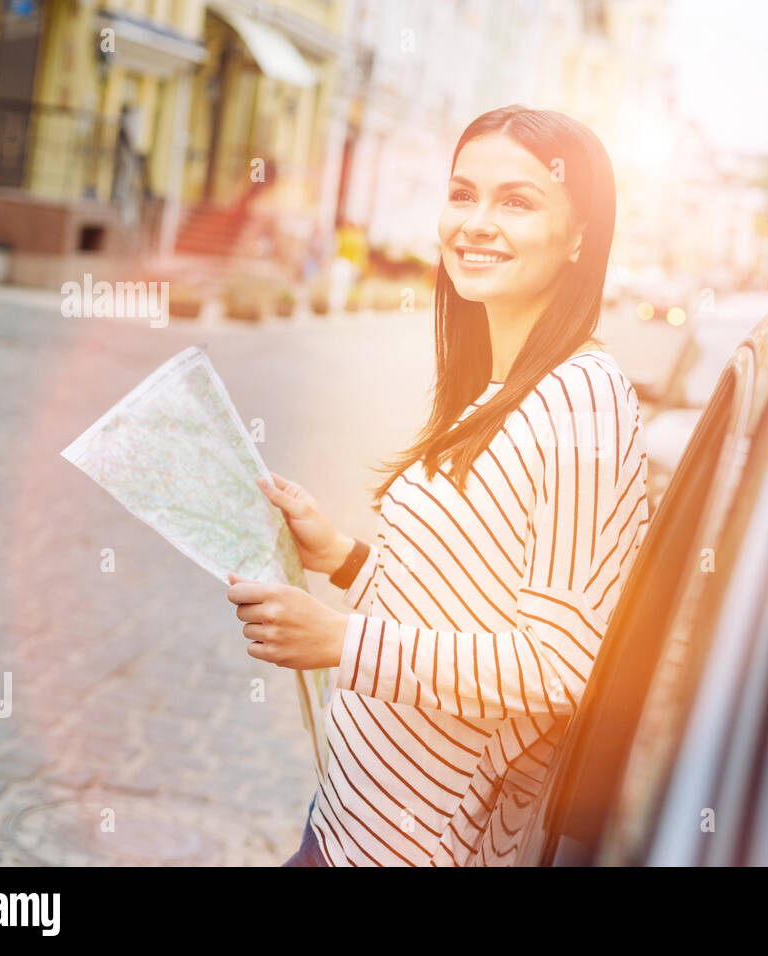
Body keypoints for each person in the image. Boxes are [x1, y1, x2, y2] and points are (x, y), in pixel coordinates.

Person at [226, 105, 650, 866]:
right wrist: (343, 556)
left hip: (421, 848)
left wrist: (342, 642)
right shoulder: (499, 382)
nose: (476, 222)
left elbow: (560, 668)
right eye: (463, 194)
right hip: (347, 812)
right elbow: (468, 601)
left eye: (516, 202)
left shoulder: (584, 401)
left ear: (581, 235)